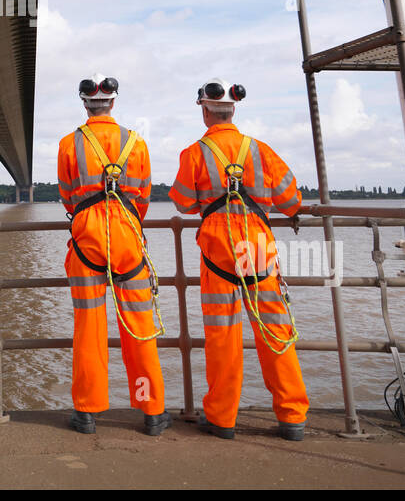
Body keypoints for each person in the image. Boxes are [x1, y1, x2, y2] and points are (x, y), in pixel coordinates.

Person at [170, 78, 308, 440]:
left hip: (218, 255)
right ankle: (292, 417)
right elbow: (290, 198)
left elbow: (183, 202)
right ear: (234, 110)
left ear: (204, 111)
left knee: (223, 339)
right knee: (274, 333)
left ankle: (222, 417)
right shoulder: (260, 151)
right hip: (258, 250)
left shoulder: (195, 153)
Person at [57, 73, 171, 436]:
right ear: (113, 102)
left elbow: (67, 196)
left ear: (85, 103)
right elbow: (143, 197)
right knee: (139, 330)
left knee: (88, 331)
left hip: (87, 241)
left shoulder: (68, 144)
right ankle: (152, 413)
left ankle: (87, 414)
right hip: (128, 241)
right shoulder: (136, 143)